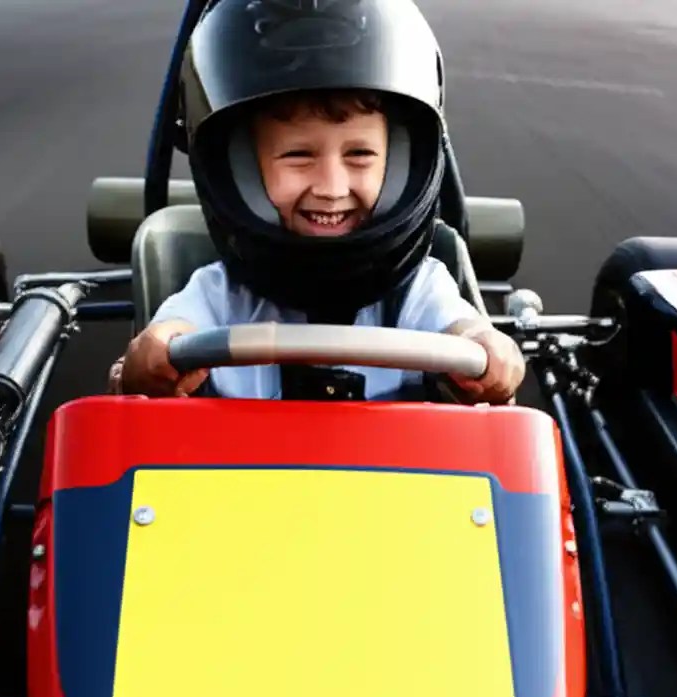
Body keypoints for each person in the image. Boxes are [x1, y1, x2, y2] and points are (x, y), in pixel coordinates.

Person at [110, 0, 523, 403]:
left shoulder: (417, 290)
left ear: (396, 163)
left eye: (359, 155)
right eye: (298, 156)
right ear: (244, 171)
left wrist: (488, 348)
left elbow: (465, 331)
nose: (331, 187)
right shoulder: (217, 295)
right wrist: (151, 357)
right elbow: (166, 337)